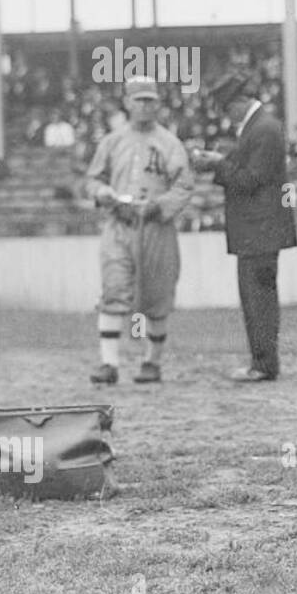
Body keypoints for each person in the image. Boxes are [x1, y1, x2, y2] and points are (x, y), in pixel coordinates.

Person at [84, 76, 194, 384]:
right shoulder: (112, 141)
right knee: (114, 287)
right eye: (139, 100)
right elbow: (92, 179)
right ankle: (109, 364)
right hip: (120, 222)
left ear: (158, 104)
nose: (145, 106)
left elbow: (184, 185)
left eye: (151, 100)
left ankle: (151, 362)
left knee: (157, 294)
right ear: (127, 102)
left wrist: (161, 205)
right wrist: (103, 192)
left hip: (156, 225)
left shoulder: (170, 142)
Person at [191, 75, 297, 381]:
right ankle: (261, 362)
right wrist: (222, 161)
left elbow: (249, 180)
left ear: (238, 102)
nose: (227, 117)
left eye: (227, 110)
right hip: (258, 231)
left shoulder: (263, 129)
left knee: (258, 300)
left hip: (259, 231)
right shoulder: (262, 127)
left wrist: (216, 164)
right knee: (257, 299)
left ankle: (263, 365)